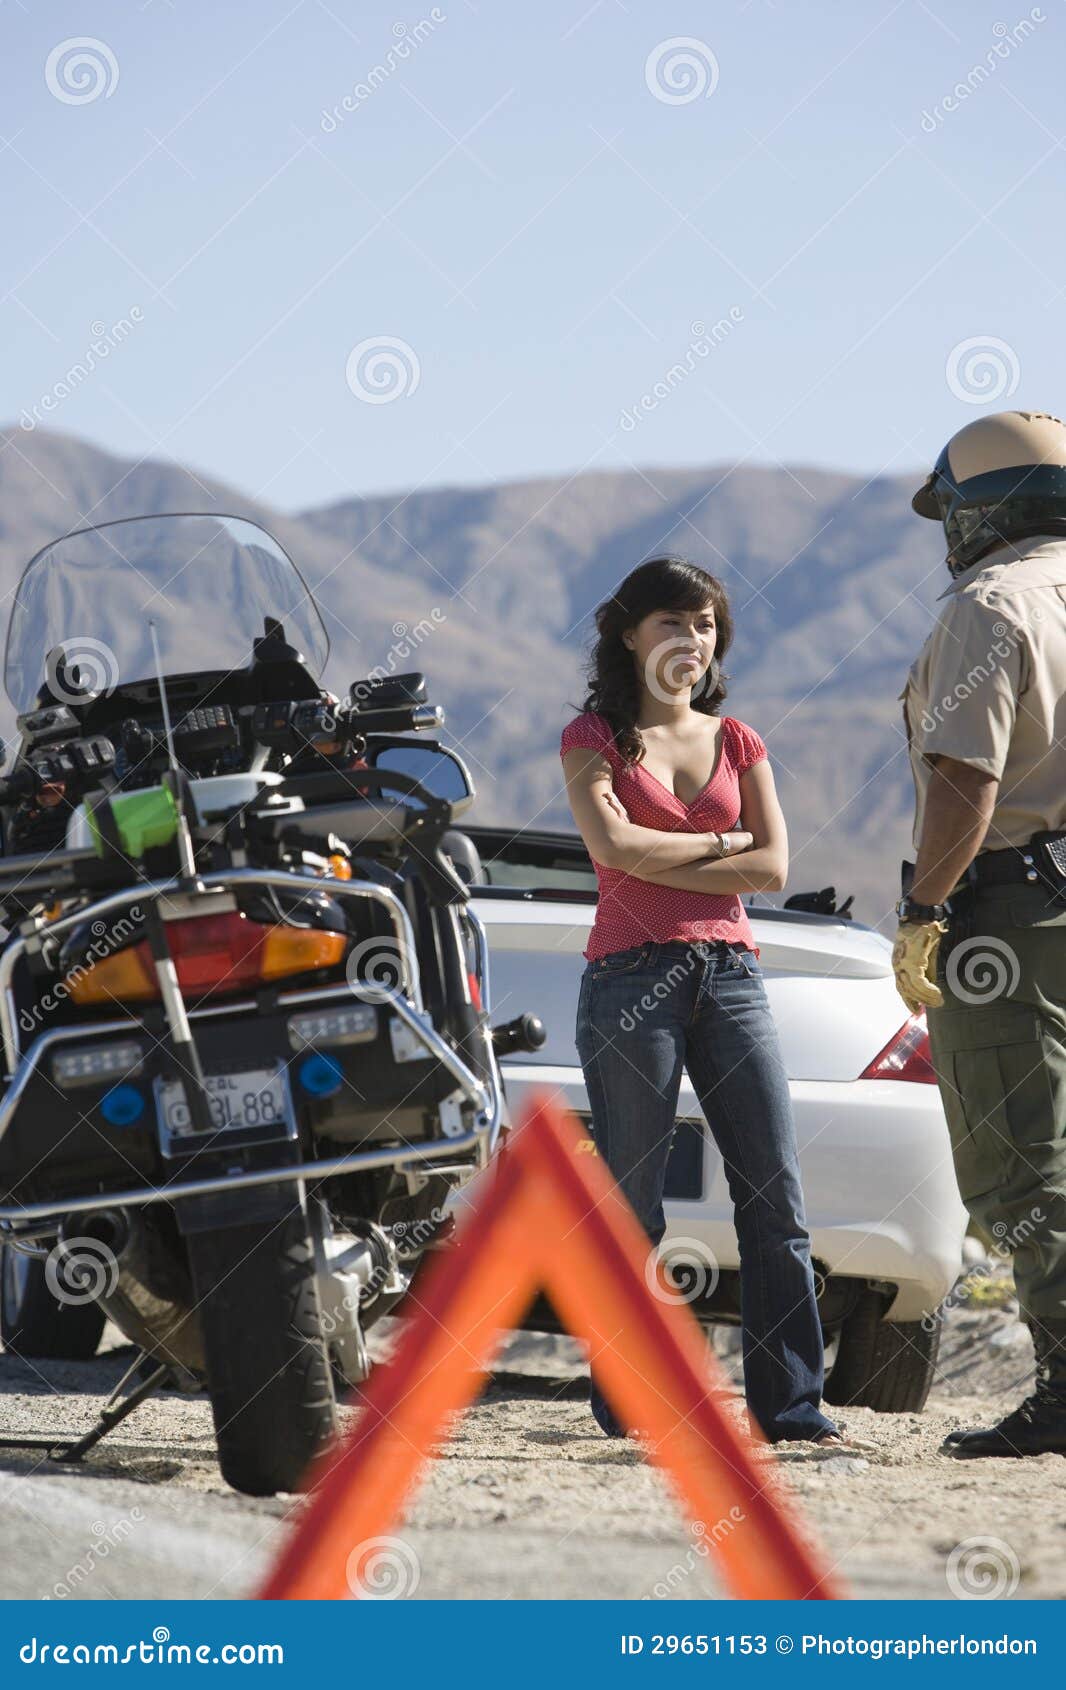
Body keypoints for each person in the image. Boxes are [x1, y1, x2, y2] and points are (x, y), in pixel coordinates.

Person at [560, 554, 845, 1447]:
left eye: (707, 624)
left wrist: (672, 846)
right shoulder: (590, 738)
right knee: (631, 1201)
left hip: (732, 976)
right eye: (675, 622)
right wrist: (722, 839)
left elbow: (774, 868)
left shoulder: (739, 740)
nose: (694, 639)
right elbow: (614, 852)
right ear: (627, 632)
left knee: (775, 1196)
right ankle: (630, 1399)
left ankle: (792, 1409)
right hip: (629, 978)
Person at [894, 409, 1066, 1458]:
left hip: (1011, 907)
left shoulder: (988, 603)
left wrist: (922, 907)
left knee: (1020, 1158)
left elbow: (965, 781)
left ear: (981, 510)